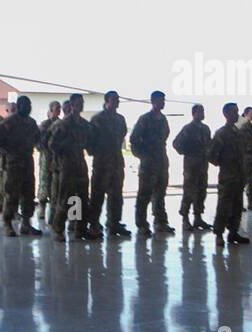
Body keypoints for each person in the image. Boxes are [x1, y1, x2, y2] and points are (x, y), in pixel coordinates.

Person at [0, 95, 41, 236]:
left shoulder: (32, 123)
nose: (28, 108)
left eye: (29, 105)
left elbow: (37, 140)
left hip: (27, 164)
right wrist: (6, 152)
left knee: (28, 195)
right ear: (19, 106)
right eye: (25, 105)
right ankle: (7, 224)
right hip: (12, 165)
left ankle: (26, 224)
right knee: (11, 196)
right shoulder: (8, 123)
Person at [48, 94, 94, 242]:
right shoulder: (63, 124)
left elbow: (89, 142)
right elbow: (51, 144)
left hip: (80, 164)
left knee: (80, 198)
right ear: (72, 105)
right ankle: (58, 229)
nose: (81, 105)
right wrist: (65, 151)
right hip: (66, 165)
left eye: (82, 102)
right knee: (64, 198)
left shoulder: (84, 124)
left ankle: (79, 229)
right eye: (78, 103)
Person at [86, 90, 130, 238]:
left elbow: (122, 137)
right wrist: (97, 153)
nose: (117, 101)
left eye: (118, 99)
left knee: (116, 196)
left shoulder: (120, 119)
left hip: (117, 162)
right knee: (97, 196)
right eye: (114, 99)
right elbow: (90, 141)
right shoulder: (98, 119)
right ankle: (93, 224)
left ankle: (114, 224)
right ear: (107, 101)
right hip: (102, 163)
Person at [130, 90, 173, 236]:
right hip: (149, 163)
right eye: (161, 100)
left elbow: (165, 136)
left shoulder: (163, 119)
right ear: (153, 101)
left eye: (164, 100)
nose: (163, 103)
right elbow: (134, 140)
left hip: (161, 161)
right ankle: (142, 224)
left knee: (160, 193)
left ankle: (160, 222)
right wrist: (143, 156)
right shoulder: (145, 119)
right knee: (144, 194)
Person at [207, 102, 250, 247]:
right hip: (227, 176)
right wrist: (223, 163)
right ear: (225, 114)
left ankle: (233, 232)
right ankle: (219, 234)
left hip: (239, 175)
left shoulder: (238, 132)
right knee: (223, 206)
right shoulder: (222, 133)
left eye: (237, 111)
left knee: (237, 206)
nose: (236, 114)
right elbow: (212, 155)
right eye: (233, 112)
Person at [173, 104, 212, 232]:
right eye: (200, 111)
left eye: (203, 111)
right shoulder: (188, 128)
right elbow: (177, 144)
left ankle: (198, 217)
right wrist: (188, 152)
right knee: (189, 192)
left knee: (201, 191)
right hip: (191, 165)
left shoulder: (206, 129)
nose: (203, 113)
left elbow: (209, 145)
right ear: (194, 113)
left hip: (202, 164)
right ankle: (185, 218)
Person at [36, 100, 62, 221]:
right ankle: (41, 207)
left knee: (55, 183)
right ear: (51, 110)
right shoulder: (45, 124)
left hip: (58, 158)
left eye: (59, 108)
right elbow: (38, 142)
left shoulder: (62, 124)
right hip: (47, 157)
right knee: (44, 181)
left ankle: (54, 207)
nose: (58, 110)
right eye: (56, 108)